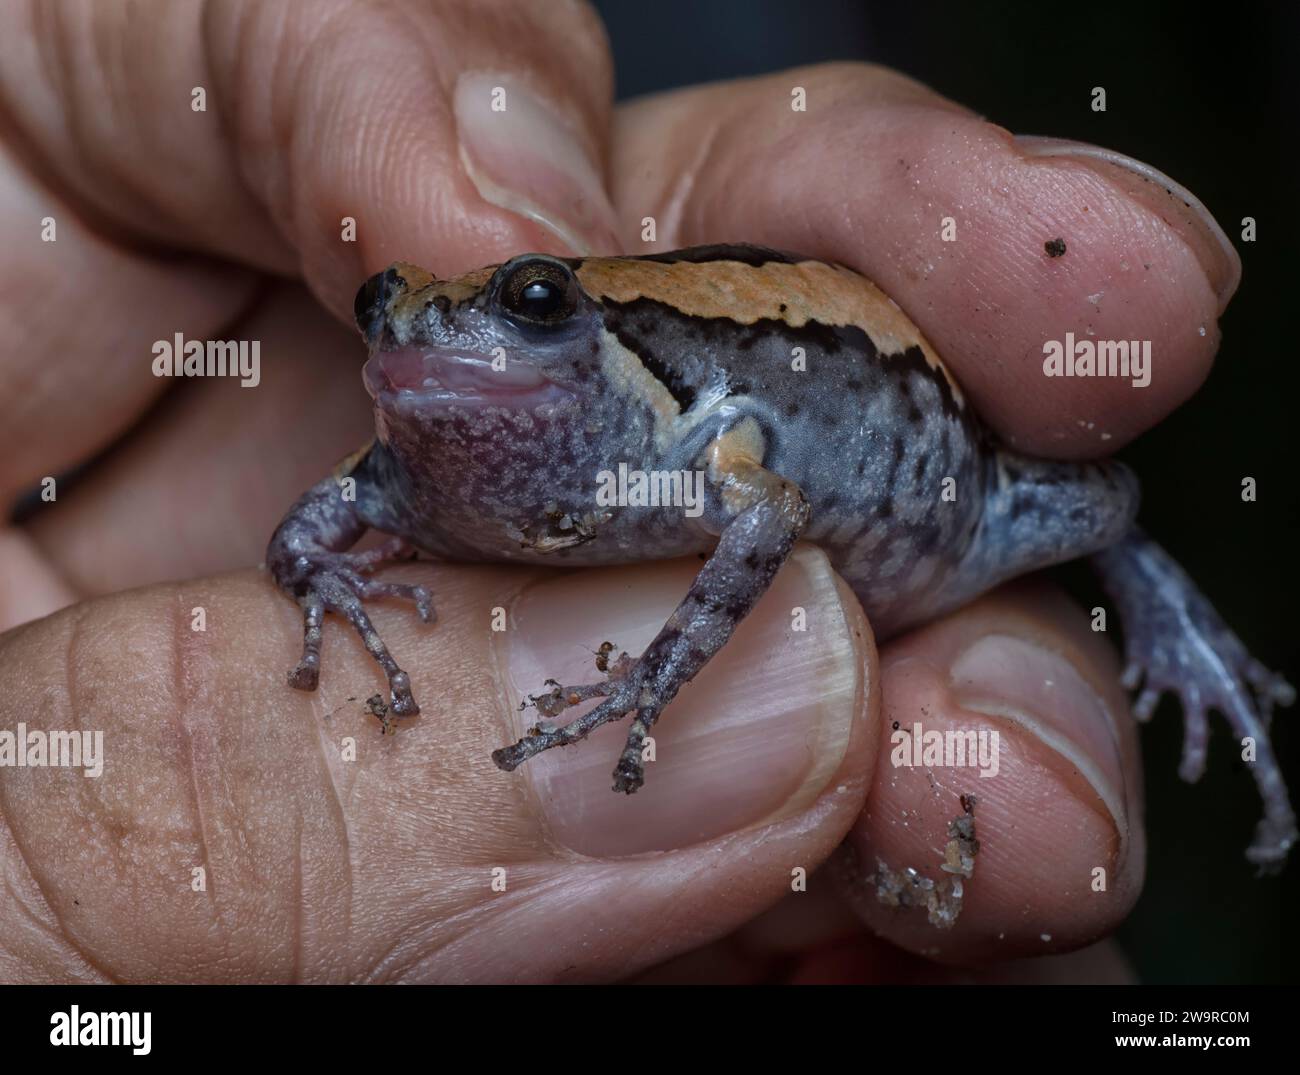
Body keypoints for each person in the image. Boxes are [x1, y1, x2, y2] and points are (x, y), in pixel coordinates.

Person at [0, 0, 1240, 983]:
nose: (437, 338)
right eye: (392, 312)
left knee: (1101, 504)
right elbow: (305, 537)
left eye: (531, 311)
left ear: (582, 334)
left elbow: (765, 511)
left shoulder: (685, 437)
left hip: (939, 482)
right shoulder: (404, 469)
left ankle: (1179, 623)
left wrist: (659, 673)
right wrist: (316, 580)